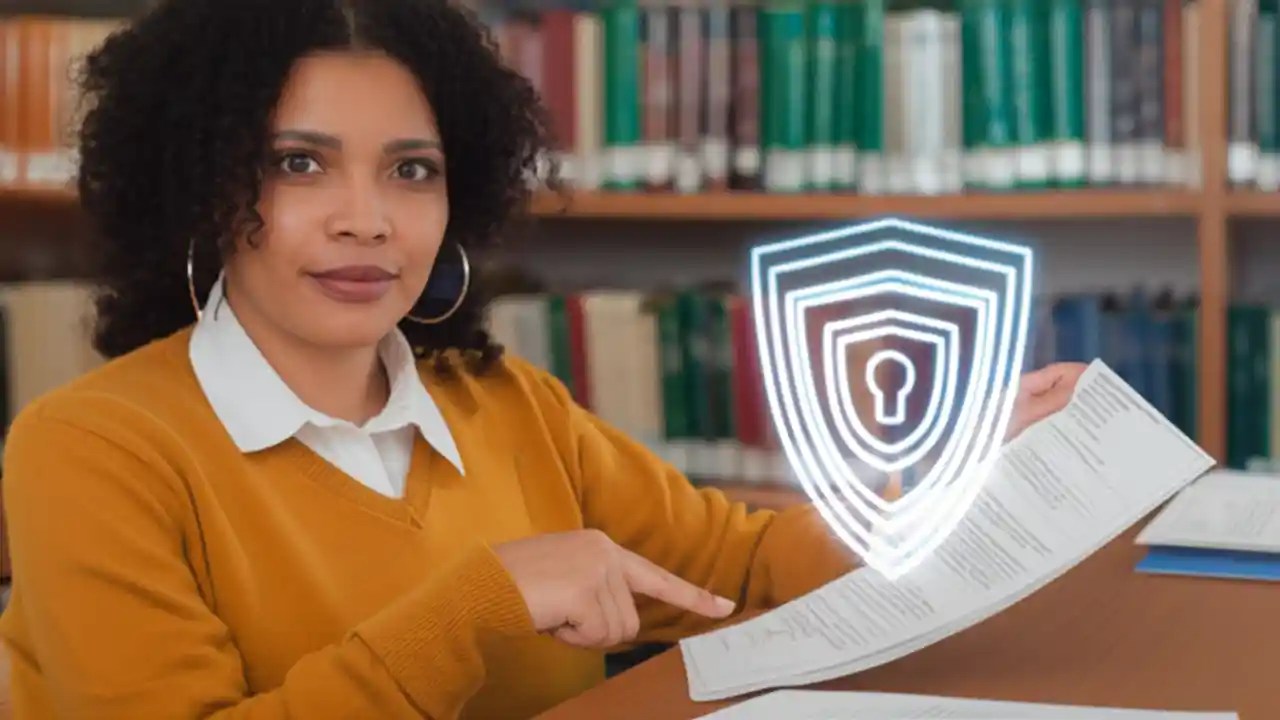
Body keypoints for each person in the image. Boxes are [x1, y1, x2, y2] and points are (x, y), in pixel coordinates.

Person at [0, 1, 1086, 718]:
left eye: (412, 171)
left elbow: (743, 575)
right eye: (299, 164)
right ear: (198, 186)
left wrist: (947, 469)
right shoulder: (89, 450)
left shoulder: (504, 403)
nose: (368, 220)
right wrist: (476, 604)